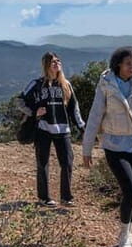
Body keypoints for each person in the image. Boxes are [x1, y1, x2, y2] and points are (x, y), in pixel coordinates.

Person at [82, 46, 132, 247]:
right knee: (131, 190)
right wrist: (87, 148)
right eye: (128, 64)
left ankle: (128, 234)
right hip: (114, 145)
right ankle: (124, 236)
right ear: (118, 63)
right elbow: (94, 116)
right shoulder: (106, 85)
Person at [19, 52, 85, 207]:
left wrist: (82, 127)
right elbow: (20, 101)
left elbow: (74, 108)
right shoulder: (36, 84)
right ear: (46, 65)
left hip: (63, 129)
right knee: (43, 163)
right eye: (53, 62)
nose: (57, 64)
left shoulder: (66, 85)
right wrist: (34, 112)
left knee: (67, 162)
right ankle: (44, 197)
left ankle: (66, 197)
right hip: (43, 129)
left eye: (58, 61)